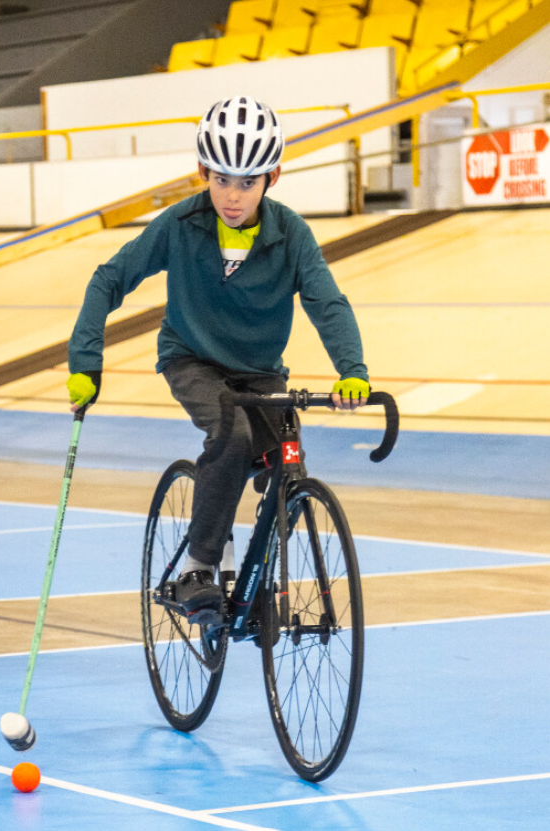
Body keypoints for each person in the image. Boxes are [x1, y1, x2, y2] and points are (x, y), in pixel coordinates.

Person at [65, 95, 370, 615]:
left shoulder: (292, 234)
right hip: (193, 360)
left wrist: (353, 371)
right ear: (202, 172)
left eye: (247, 182)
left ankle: (249, 576)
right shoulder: (180, 224)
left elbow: (328, 302)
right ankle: (197, 568)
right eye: (222, 179)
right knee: (233, 435)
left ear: (272, 177)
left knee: (287, 460)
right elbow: (109, 279)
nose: (232, 195)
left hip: (260, 373)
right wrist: (85, 362)